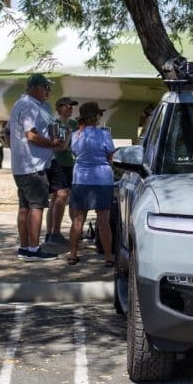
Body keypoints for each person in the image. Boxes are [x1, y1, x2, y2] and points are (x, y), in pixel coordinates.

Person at [8, 73, 63, 261]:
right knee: (37, 207)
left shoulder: (19, 104)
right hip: (33, 166)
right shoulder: (30, 106)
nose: (48, 91)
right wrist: (51, 143)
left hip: (21, 166)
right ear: (35, 87)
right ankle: (33, 249)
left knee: (24, 207)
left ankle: (24, 248)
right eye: (46, 87)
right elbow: (31, 135)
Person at [66, 101, 115, 266]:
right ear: (95, 117)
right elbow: (110, 157)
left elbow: (74, 152)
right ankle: (108, 257)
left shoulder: (75, 135)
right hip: (102, 179)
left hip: (81, 179)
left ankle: (72, 254)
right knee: (103, 221)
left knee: (78, 220)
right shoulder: (104, 134)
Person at [45, 96, 78, 247]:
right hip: (58, 163)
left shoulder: (73, 124)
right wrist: (69, 137)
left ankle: (71, 232)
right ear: (59, 108)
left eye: (71, 106)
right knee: (57, 198)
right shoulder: (55, 124)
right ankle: (51, 233)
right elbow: (58, 148)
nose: (70, 108)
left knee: (65, 199)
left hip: (71, 164)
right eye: (66, 106)